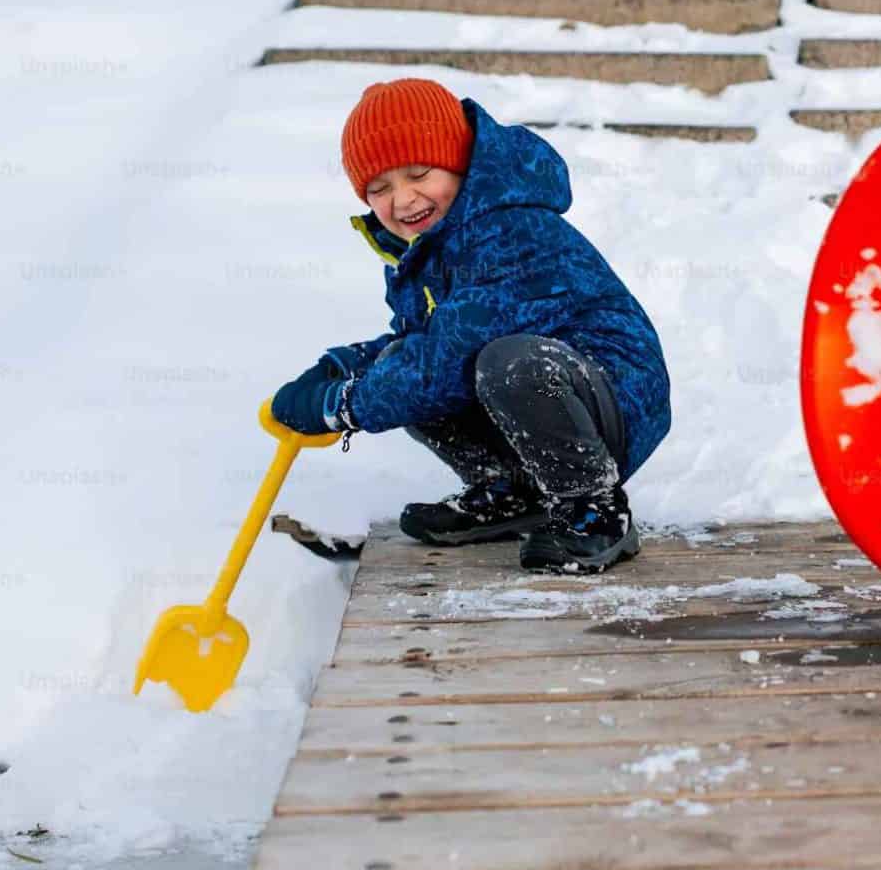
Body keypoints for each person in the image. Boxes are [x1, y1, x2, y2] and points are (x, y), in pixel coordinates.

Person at [270, 78, 671, 574]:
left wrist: (343, 406)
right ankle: (511, 491)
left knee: (498, 366)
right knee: (409, 366)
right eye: (380, 188)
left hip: (611, 398)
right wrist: (344, 366)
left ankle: (595, 508)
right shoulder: (433, 250)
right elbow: (423, 346)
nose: (403, 199)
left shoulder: (508, 230)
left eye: (419, 173)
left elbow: (447, 361)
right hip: (538, 396)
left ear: (461, 162)